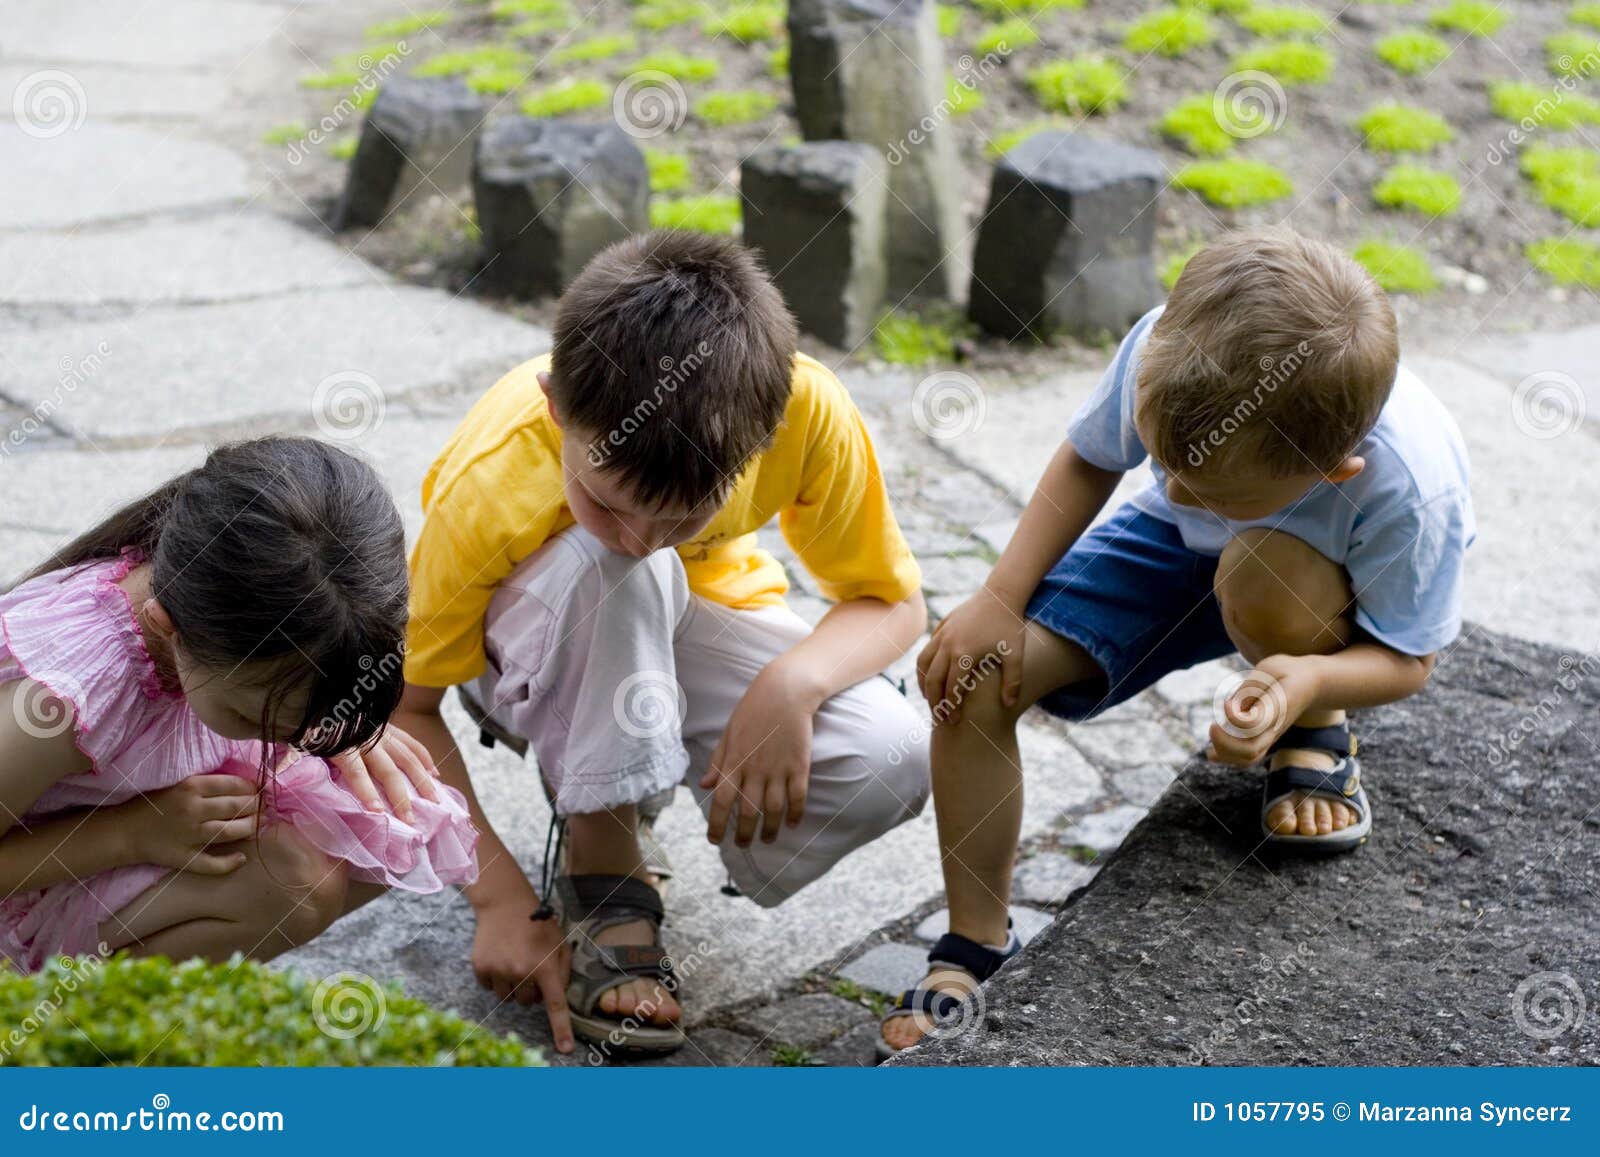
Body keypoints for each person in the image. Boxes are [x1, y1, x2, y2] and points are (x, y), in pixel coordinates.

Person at [881, 227, 1474, 1055]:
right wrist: (998, 595)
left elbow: (1409, 655)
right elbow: (1090, 461)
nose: (1175, 486)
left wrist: (1303, 681)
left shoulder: (1414, 485)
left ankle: (1311, 731)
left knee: (1261, 565)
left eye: (1208, 484)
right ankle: (974, 944)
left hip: (1303, 590)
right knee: (980, 676)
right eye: (1165, 462)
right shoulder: (1176, 345)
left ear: (1335, 470)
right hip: (1168, 549)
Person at [395, 230, 931, 1056]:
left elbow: (893, 603)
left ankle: (628, 770)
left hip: (681, 627)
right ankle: (604, 864)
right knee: (616, 570)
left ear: (766, 435)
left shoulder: (805, 406)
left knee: (894, 753)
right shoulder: (496, 473)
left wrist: (794, 684)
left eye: (686, 517)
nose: (645, 533)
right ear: (552, 404)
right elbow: (406, 708)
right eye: (605, 499)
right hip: (525, 643)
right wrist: (497, 899)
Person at [0, 437, 478, 973]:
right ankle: (63, 1023)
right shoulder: (70, 696)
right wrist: (131, 834)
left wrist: (334, 723)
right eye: (257, 717)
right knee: (293, 882)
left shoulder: (221, 612)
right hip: (33, 876)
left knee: (392, 813)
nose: (294, 735)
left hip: (119, 820)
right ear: (168, 628)